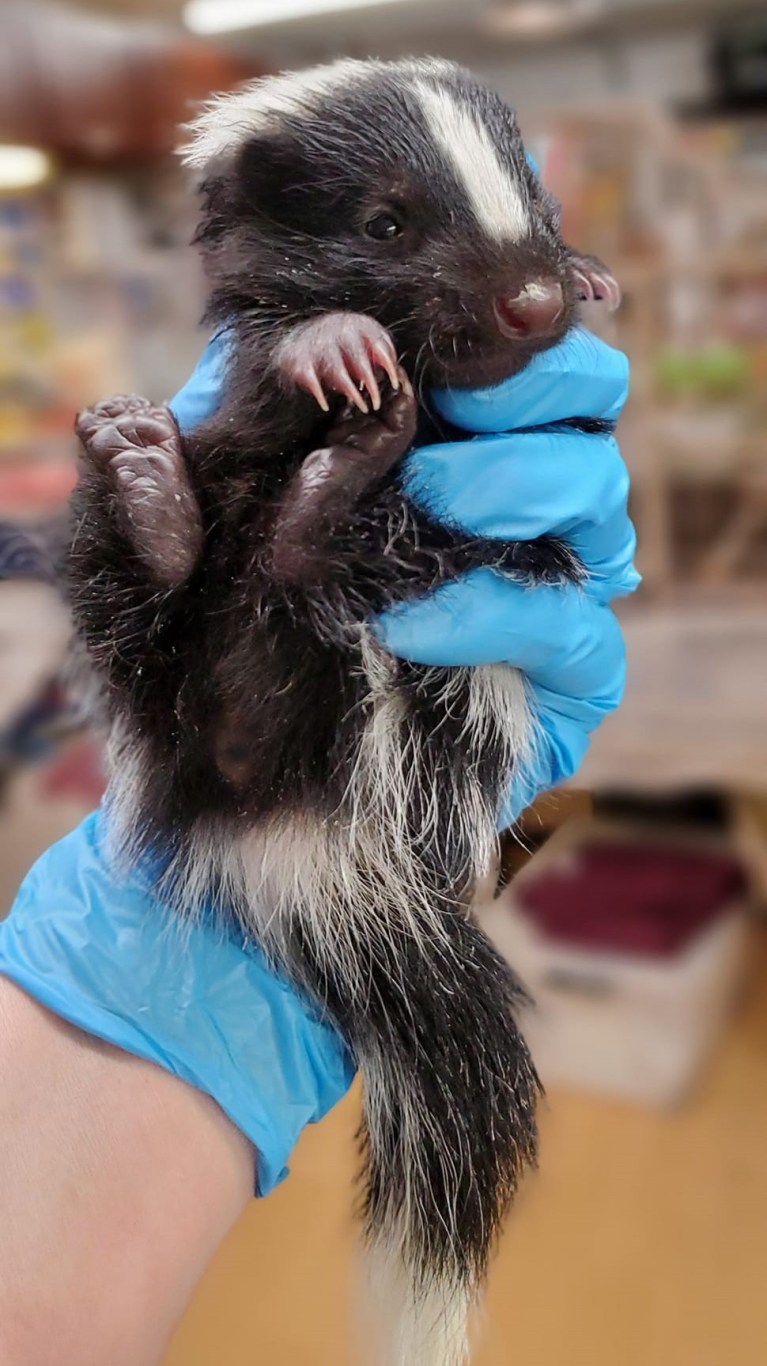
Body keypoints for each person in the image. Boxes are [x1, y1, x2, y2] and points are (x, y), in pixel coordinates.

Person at [0, 325, 637, 1365]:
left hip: (277, 719)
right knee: (209, 588)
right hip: (251, 712)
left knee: (254, 603)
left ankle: (272, 559)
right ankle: (277, 551)